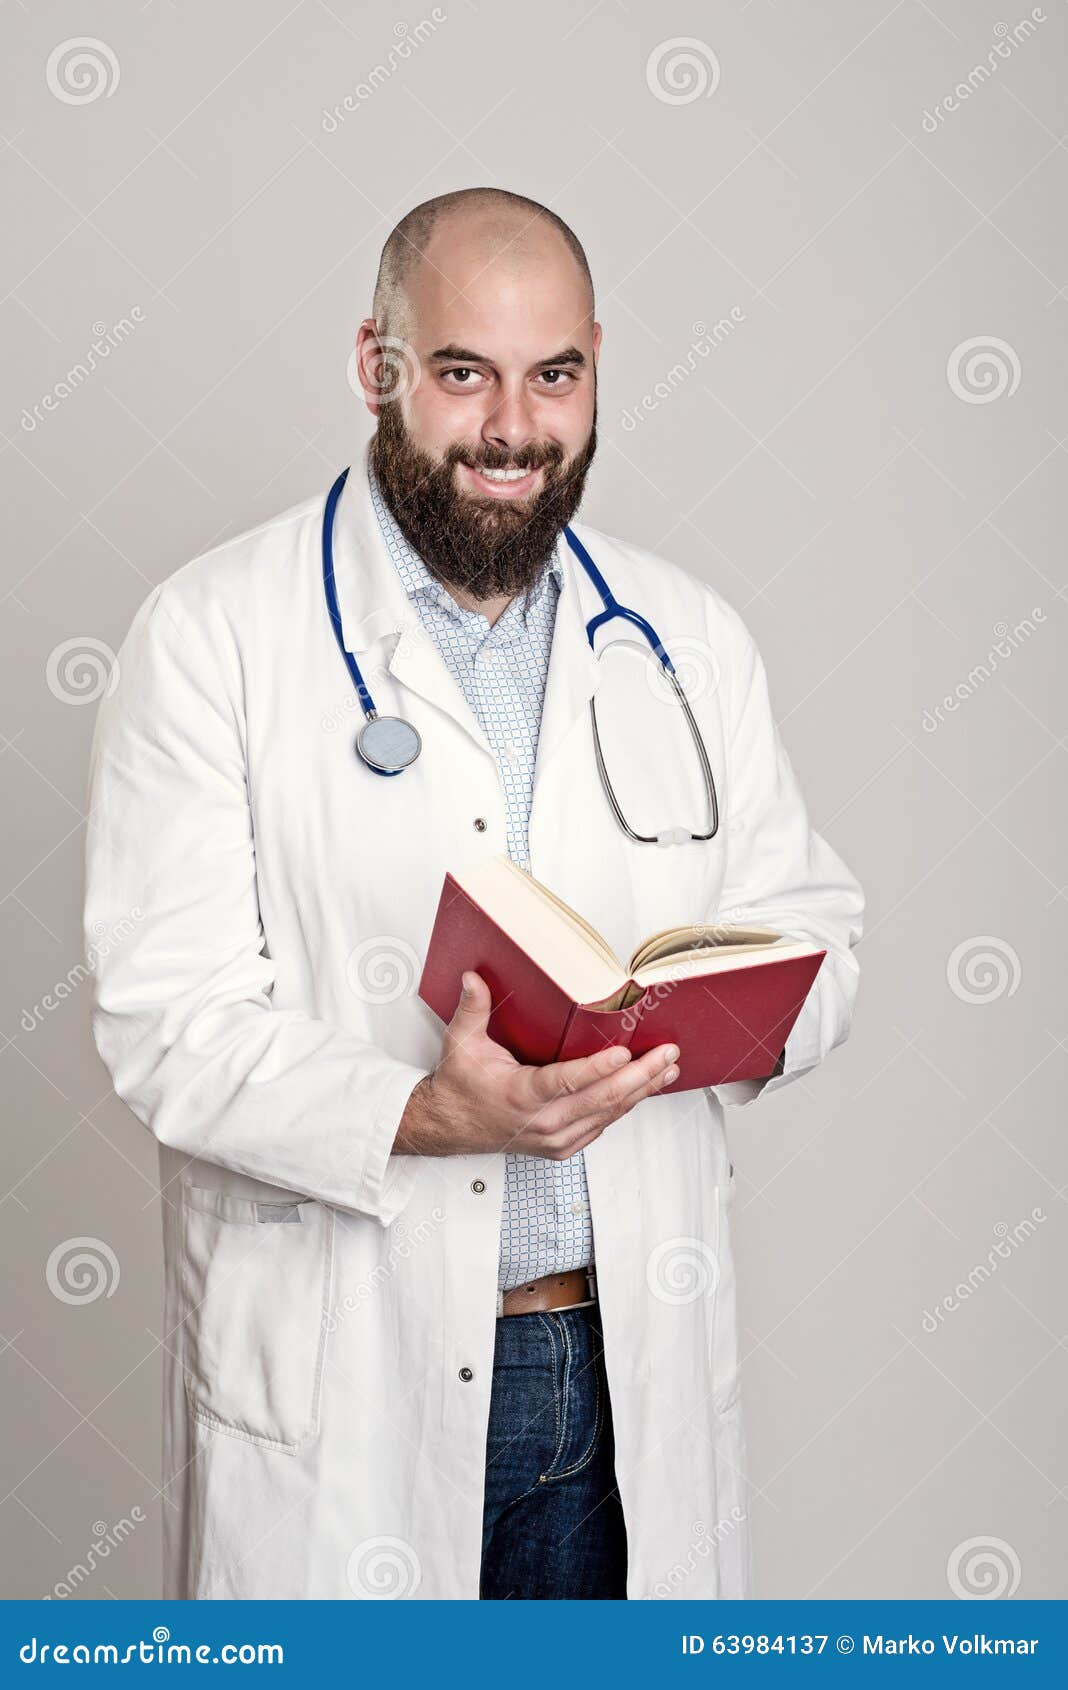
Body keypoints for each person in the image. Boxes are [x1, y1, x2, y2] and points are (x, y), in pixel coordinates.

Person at [84, 186, 864, 1601]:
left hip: (622, 1368)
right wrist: (417, 1110)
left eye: (553, 374)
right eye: (463, 373)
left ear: (597, 367)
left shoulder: (688, 636)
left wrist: (723, 1016)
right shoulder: (215, 635)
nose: (512, 427)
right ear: (376, 365)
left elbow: (823, 929)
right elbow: (167, 1021)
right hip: (353, 1374)